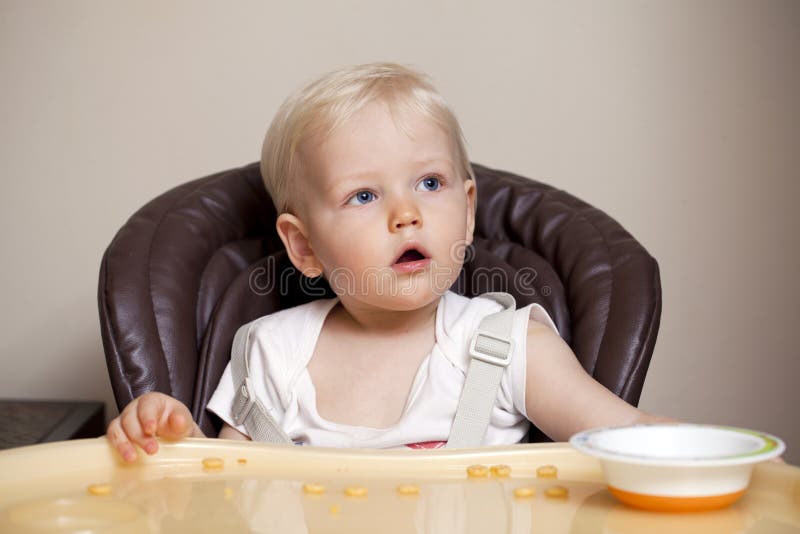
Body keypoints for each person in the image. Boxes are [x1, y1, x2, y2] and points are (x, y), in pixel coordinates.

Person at [106, 62, 670, 462]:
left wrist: (747, 460)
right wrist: (174, 442)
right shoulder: (271, 356)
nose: (406, 214)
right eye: (364, 196)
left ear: (468, 211)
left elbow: (629, 436)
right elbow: (224, 496)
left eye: (429, 182)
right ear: (302, 247)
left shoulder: (508, 346)